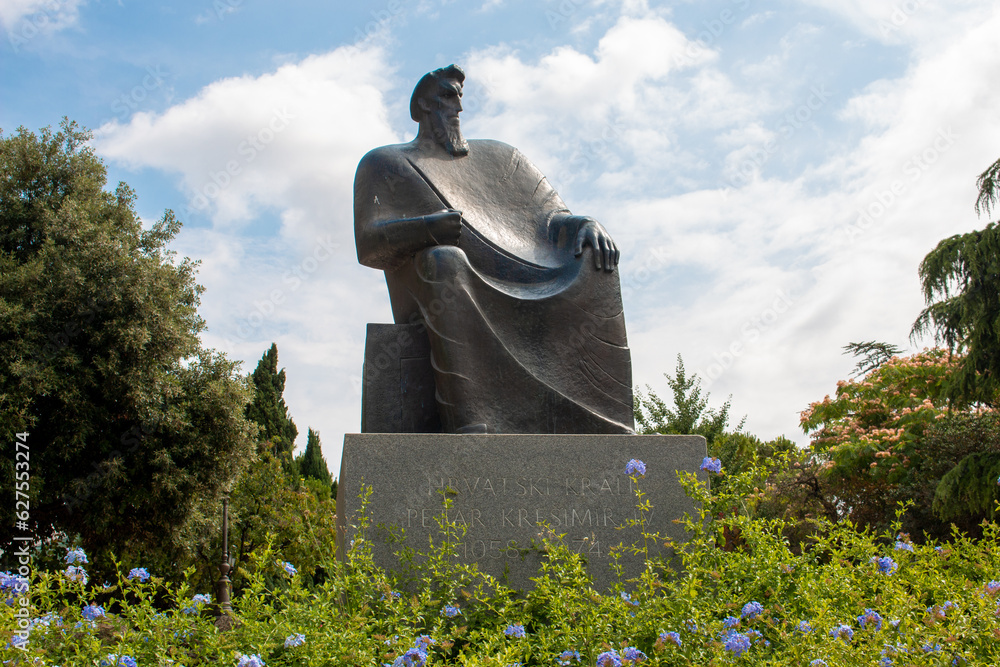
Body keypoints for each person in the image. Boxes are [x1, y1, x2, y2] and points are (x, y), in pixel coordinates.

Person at [354, 65, 633, 434]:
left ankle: (604, 423)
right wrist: (427, 228)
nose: (458, 107)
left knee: (596, 257)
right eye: (447, 96)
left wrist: (586, 224)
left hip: (521, 269)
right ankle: (470, 419)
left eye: (459, 97)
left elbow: (553, 218)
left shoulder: (503, 157)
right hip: (433, 283)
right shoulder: (385, 162)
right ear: (422, 105)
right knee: (444, 259)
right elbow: (368, 245)